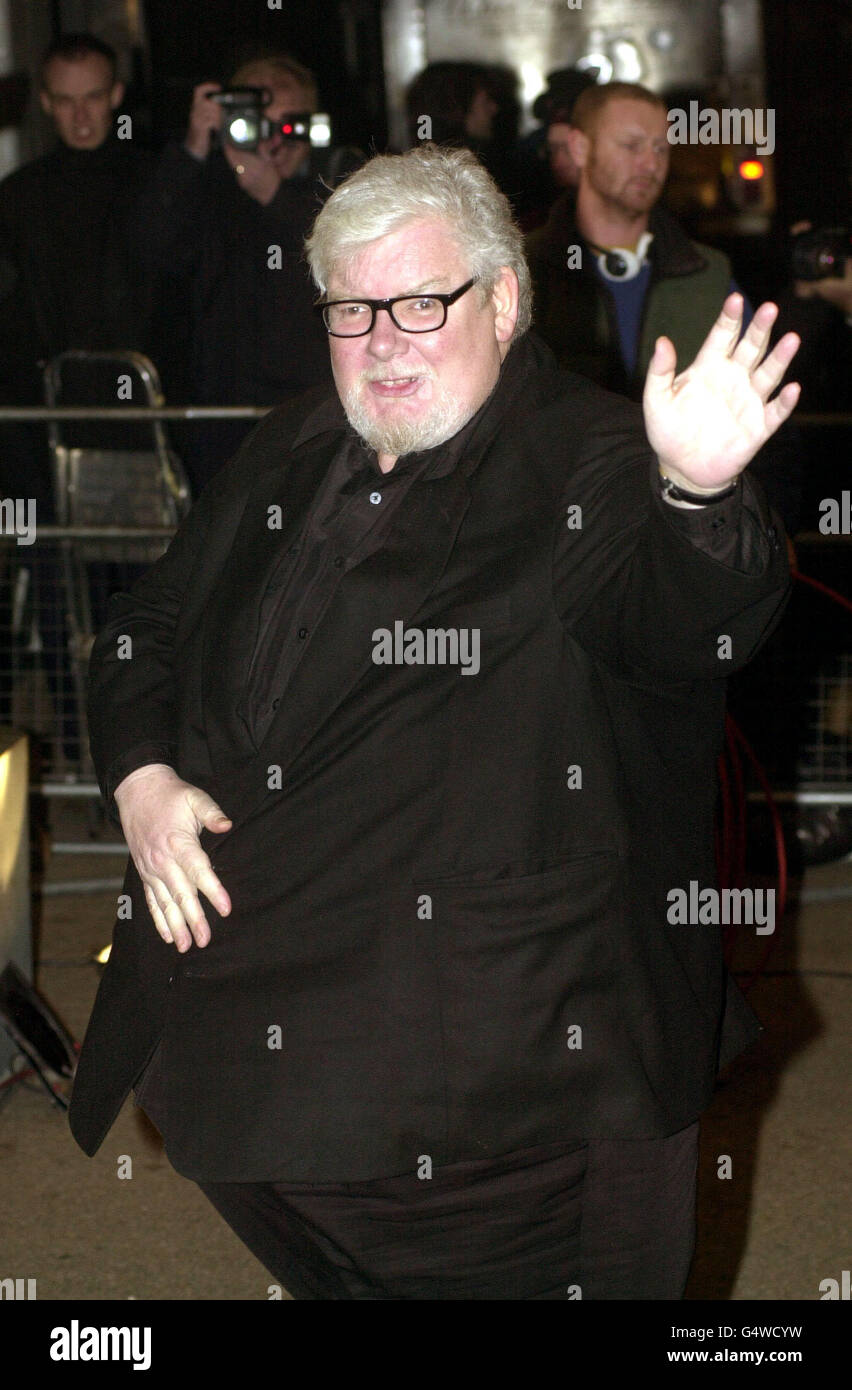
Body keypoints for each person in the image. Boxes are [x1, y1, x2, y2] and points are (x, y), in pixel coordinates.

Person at [68, 144, 800, 1301]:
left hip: (506, 1096)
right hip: (261, 1066)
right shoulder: (298, 439)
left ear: (504, 300)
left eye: (419, 300)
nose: (381, 341)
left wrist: (699, 493)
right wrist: (143, 778)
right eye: (350, 310)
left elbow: (685, 609)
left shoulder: (593, 456)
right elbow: (149, 622)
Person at [525, 80, 802, 533]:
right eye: (632, 145)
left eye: (661, 148)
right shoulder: (520, 271)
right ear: (578, 147)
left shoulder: (707, 275)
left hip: (679, 527)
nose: (651, 163)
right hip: (552, 536)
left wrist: (768, 530)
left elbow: (764, 429)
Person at [134, 53, 343, 492]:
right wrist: (195, 143)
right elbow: (152, 248)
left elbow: (341, 247)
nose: (273, 142)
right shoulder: (208, 192)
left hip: (315, 414)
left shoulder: (338, 185)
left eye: (289, 125)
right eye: (258, 124)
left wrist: (270, 189)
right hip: (221, 417)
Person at [0, 32, 153, 510]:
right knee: (55, 557)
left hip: (143, 409)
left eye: (91, 98)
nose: (81, 115)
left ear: (115, 96)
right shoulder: (19, 197)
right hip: (46, 411)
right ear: (46, 103)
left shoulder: (152, 181)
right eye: (66, 101)